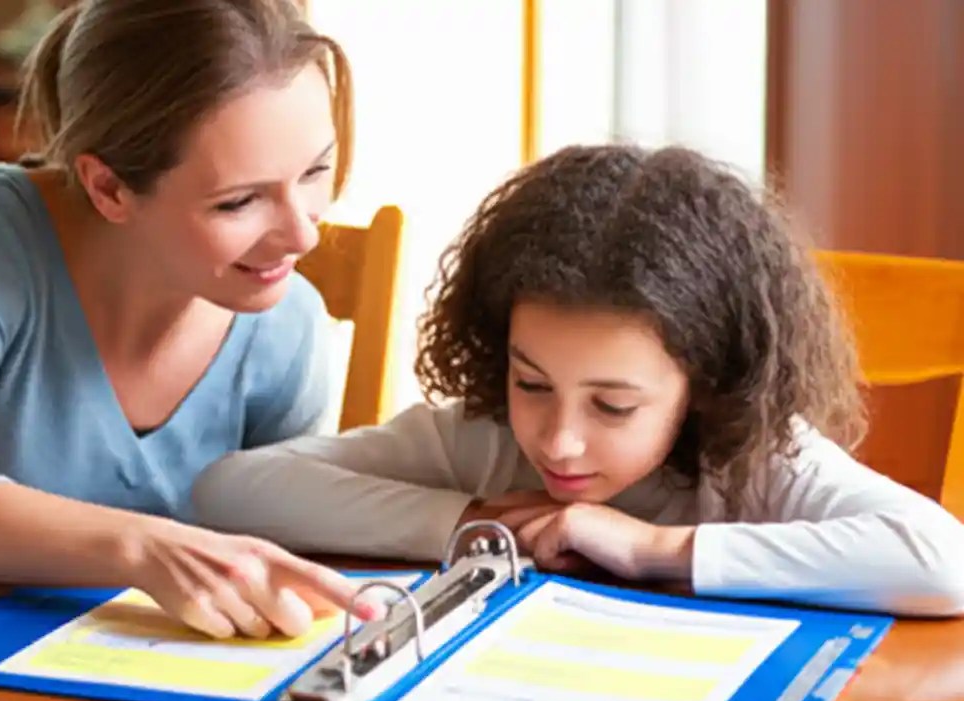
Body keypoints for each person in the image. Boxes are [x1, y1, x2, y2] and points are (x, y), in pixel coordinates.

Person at [194, 144, 964, 616]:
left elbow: (943, 564)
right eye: (533, 384)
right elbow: (228, 491)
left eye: (613, 404)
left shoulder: (755, 459)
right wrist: (473, 520)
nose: (558, 441)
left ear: (700, 381)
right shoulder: (485, 439)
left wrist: (656, 548)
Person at [0, 0, 379, 640]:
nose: (302, 234)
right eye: (239, 201)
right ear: (108, 189)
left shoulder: (287, 326)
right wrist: (143, 550)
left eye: (315, 172)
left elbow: (286, 542)